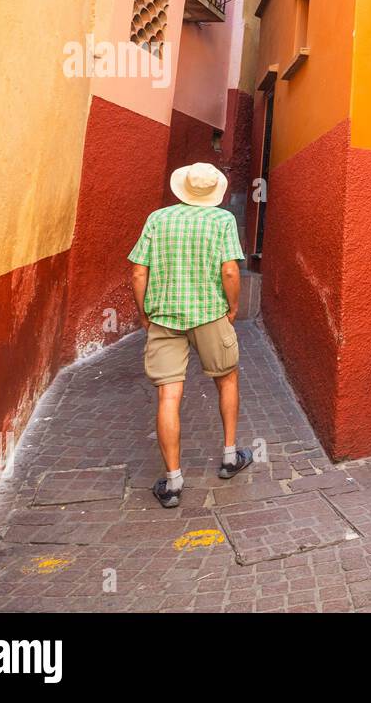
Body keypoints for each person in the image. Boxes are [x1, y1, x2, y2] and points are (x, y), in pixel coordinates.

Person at [129, 162, 253, 508]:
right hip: (210, 314)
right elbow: (229, 270)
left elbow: (139, 272)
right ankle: (230, 456)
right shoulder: (222, 221)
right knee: (227, 380)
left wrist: (144, 313)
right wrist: (232, 307)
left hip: (165, 315)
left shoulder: (158, 219)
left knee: (169, 396)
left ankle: (173, 482)